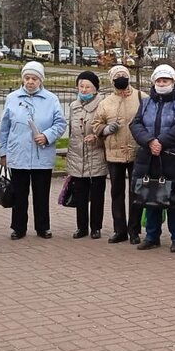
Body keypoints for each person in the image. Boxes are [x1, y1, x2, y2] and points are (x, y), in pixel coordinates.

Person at [0, 61, 67, 240]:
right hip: (18, 153)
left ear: (40, 80)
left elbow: (60, 123)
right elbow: (4, 127)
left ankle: (43, 227)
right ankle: (18, 228)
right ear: (22, 79)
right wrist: (3, 152)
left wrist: (46, 135)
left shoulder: (51, 99)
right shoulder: (13, 98)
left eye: (34, 78)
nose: (30, 82)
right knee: (19, 194)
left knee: (41, 194)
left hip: (41, 155)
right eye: (27, 78)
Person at [131, 64, 175, 252]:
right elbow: (136, 124)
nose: (162, 83)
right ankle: (152, 236)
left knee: (174, 197)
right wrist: (149, 141)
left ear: (173, 82)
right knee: (151, 196)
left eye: (165, 80)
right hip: (149, 157)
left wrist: (161, 142)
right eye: (158, 80)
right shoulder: (146, 102)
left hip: (172, 157)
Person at [93, 65, 145, 244]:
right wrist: (105, 129)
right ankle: (119, 229)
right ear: (112, 79)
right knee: (117, 192)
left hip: (137, 152)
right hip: (114, 153)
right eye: (118, 75)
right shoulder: (106, 102)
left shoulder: (142, 97)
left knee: (136, 192)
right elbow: (96, 124)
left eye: (124, 75)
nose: (121, 78)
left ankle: (134, 230)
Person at [66, 71, 107, 239]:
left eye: (88, 86)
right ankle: (81, 227)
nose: (84, 89)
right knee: (80, 194)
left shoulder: (103, 105)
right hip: (77, 156)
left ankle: (95, 227)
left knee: (97, 194)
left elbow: (108, 130)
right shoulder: (73, 106)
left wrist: (97, 137)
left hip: (96, 155)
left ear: (95, 89)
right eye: (81, 86)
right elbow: (71, 132)